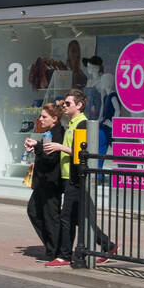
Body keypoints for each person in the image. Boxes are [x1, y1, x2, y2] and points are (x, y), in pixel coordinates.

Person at [47, 89, 115, 267]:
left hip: (76, 177)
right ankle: (108, 246)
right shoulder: (71, 123)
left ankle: (65, 255)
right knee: (77, 217)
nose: (64, 106)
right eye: (64, 103)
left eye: (68, 104)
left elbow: (81, 153)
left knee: (67, 217)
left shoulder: (82, 124)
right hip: (68, 175)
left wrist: (59, 147)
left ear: (79, 105)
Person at [24, 102, 65, 261]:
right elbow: (45, 154)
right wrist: (36, 148)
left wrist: (38, 147)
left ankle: (54, 250)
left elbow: (51, 158)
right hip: (43, 182)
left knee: (50, 216)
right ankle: (52, 246)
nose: (40, 119)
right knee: (34, 211)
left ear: (54, 118)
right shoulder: (49, 132)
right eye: (40, 116)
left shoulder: (57, 133)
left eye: (44, 116)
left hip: (50, 182)